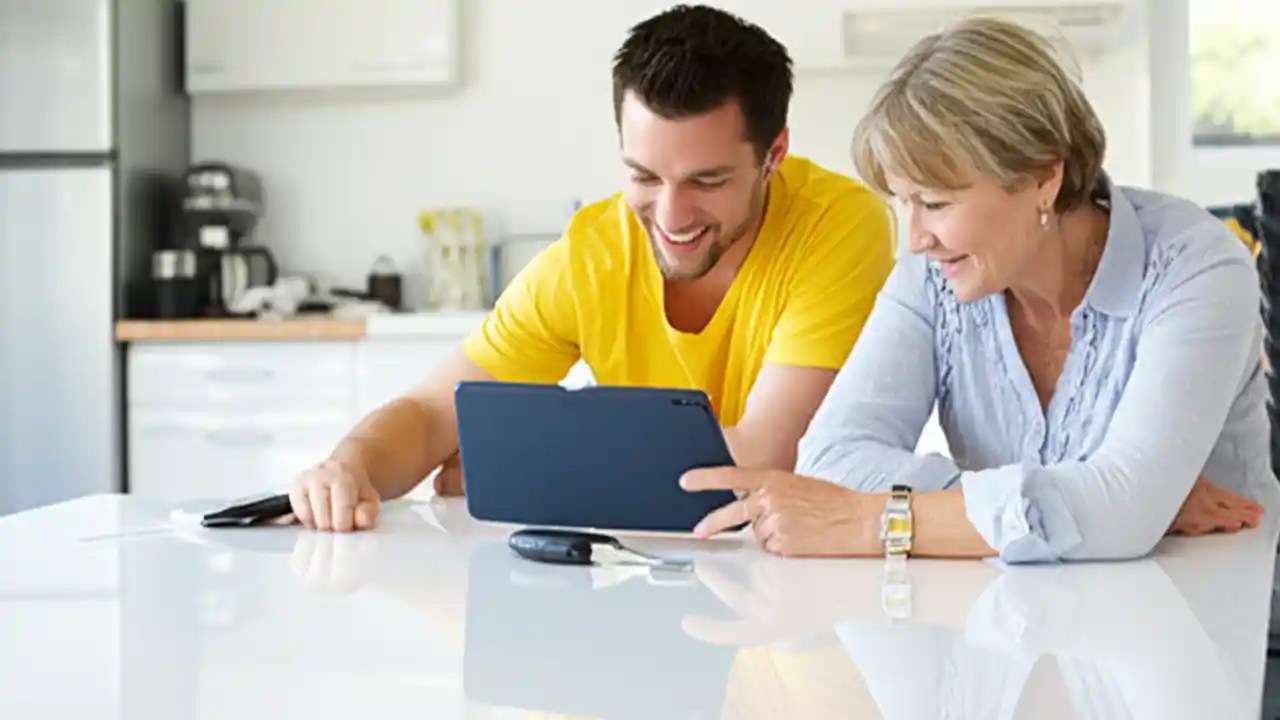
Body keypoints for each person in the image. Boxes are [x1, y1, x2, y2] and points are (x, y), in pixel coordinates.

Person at [683, 16, 1277, 562]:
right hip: (1027, 625)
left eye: (937, 203)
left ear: (1045, 175)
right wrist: (1082, 502)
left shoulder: (1194, 268)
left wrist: (869, 522)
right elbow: (832, 460)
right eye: (904, 202)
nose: (915, 238)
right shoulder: (935, 275)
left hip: (1198, 629)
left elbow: (1121, 513)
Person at [289, 5, 895, 531]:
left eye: (706, 181)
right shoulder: (592, 254)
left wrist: (525, 467)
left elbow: (764, 456)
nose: (672, 215)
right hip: (641, 571)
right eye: (644, 176)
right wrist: (351, 465)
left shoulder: (839, 225)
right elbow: (431, 416)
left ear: (775, 155)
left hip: (788, 594)